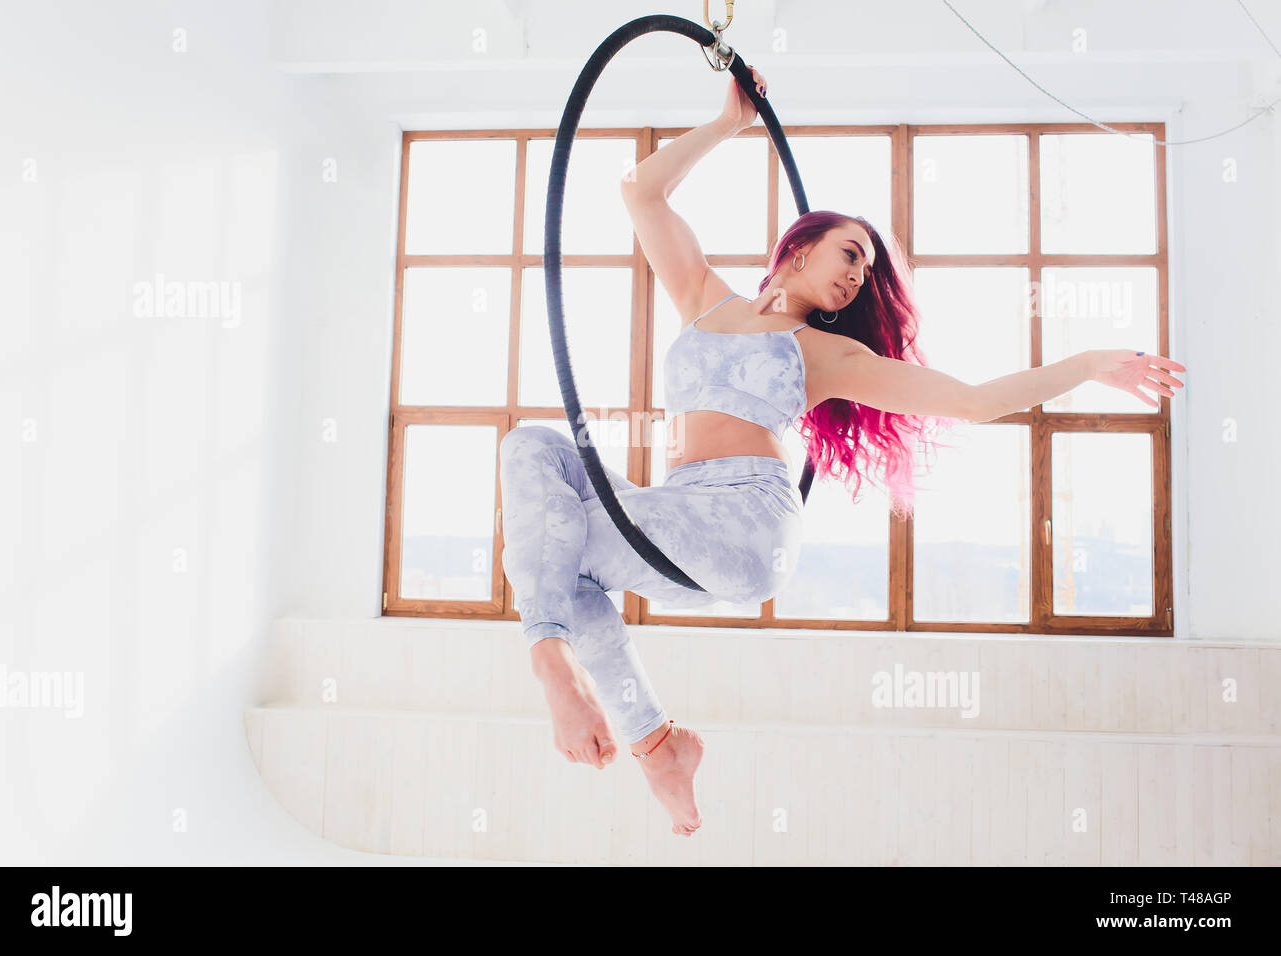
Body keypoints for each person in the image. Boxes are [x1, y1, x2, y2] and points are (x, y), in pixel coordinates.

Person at [499, 65, 1186, 837]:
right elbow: (639, 191)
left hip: (743, 524)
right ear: (799, 246)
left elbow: (975, 399)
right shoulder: (703, 297)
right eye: (851, 253)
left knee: (560, 553)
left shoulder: (827, 356)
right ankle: (654, 743)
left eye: (867, 270)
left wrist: (1090, 362)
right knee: (535, 466)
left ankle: (551, 664)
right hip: (671, 518)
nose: (860, 276)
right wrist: (729, 123)